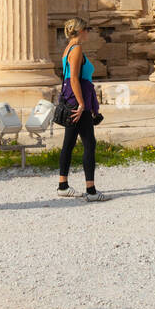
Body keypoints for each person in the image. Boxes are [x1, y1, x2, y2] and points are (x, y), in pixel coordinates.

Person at [55, 17, 108, 201]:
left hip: (71, 100)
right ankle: (91, 190)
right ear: (80, 31)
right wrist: (82, 104)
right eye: (87, 29)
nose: (88, 32)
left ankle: (63, 185)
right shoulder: (76, 49)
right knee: (89, 144)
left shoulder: (68, 48)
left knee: (69, 144)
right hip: (78, 102)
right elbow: (74, 79)